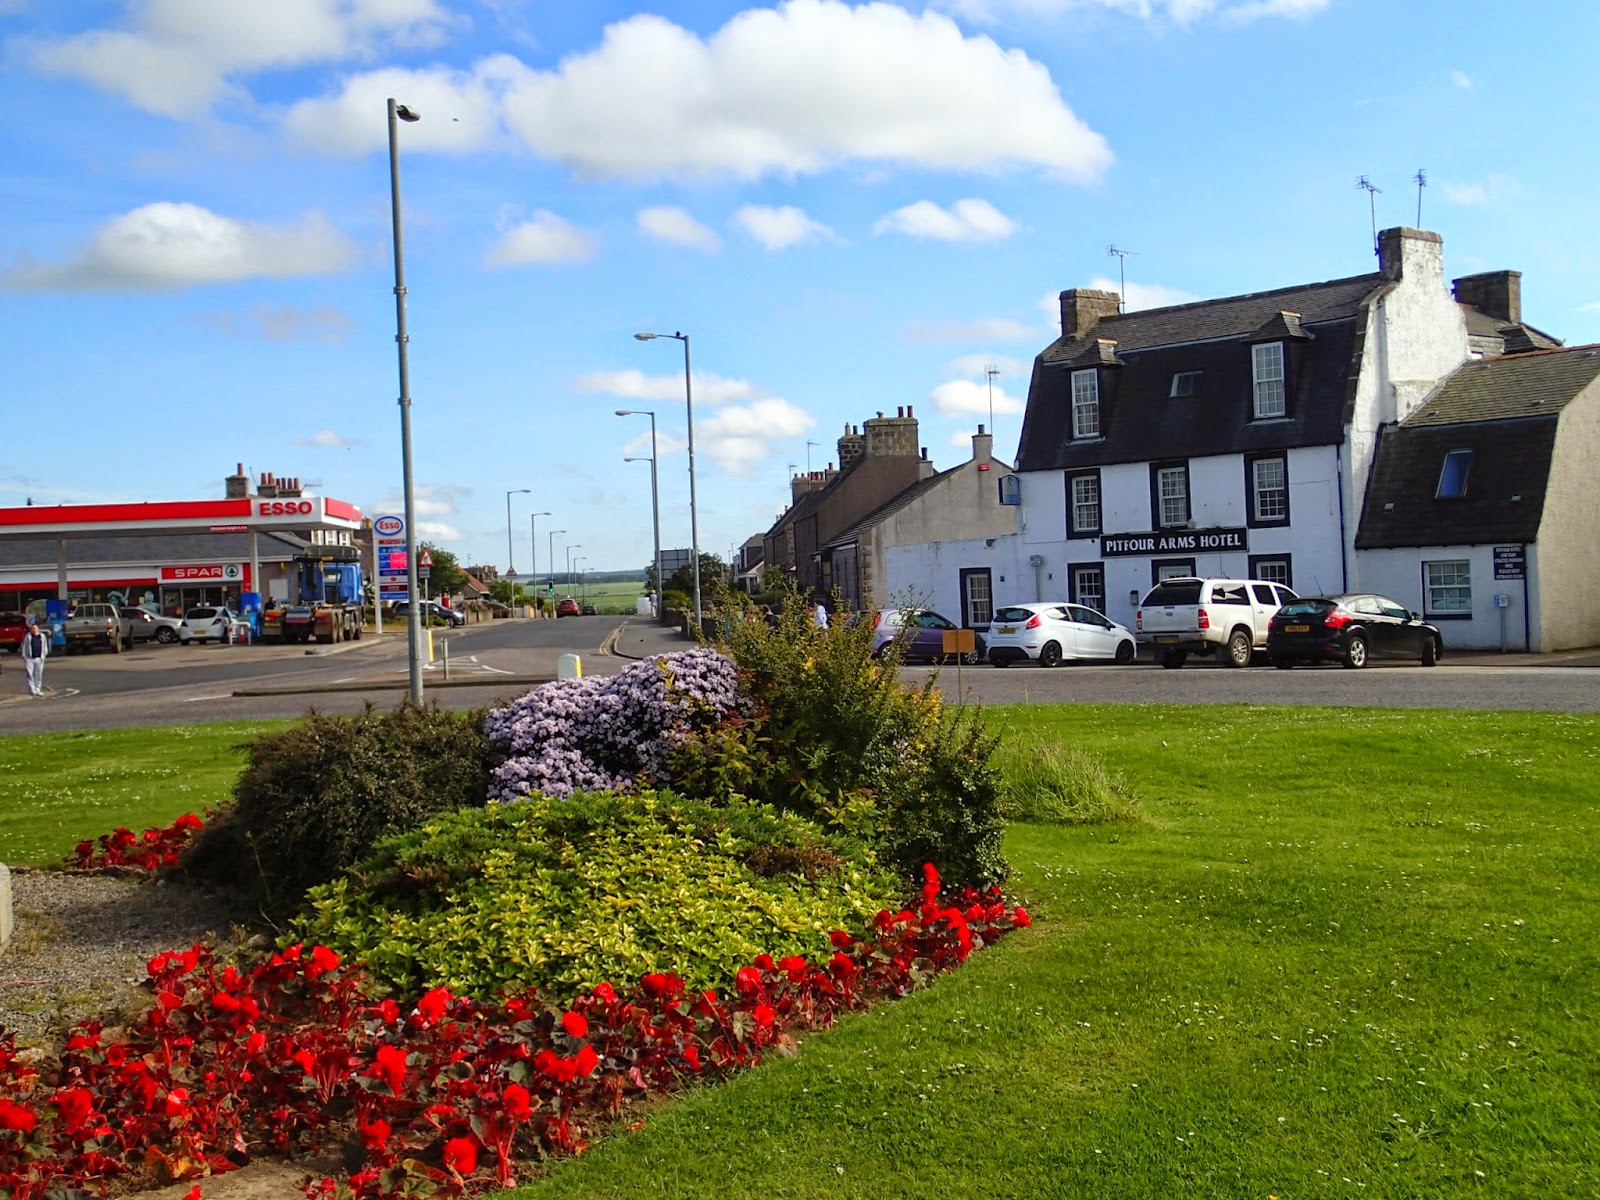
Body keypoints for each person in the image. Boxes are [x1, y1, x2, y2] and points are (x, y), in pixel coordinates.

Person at [21, 617, 49, 696]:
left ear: (38, 629)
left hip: (39, 658)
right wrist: (24, 656)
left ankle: (38, 689)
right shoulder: (28, 636)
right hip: (30, 658)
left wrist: (44, 655)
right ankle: (32, 689)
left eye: (35, 628)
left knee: (38, 675)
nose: (34, 629)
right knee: (30, 674)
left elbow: (44, 646)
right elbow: (24, 646)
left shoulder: (42, 636)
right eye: (32, 628)